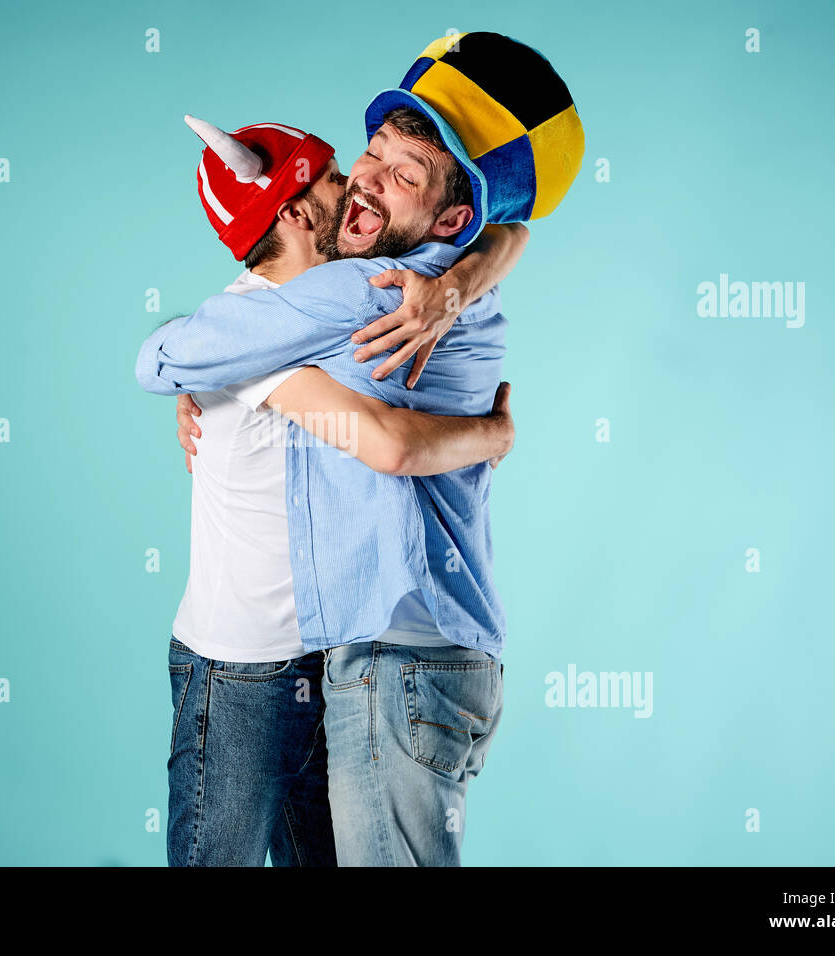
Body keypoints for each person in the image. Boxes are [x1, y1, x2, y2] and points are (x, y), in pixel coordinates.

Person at [139, 32, 583, 865]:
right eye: (352, 170)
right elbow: (508, 230)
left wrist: (459, 302)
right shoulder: (367, 291)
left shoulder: (379, 283)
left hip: (380, 653)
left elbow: (508, 226)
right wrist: (492, 427)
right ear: (302, 212)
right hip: (316, 662)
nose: (362, 185)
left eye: (387, 172)